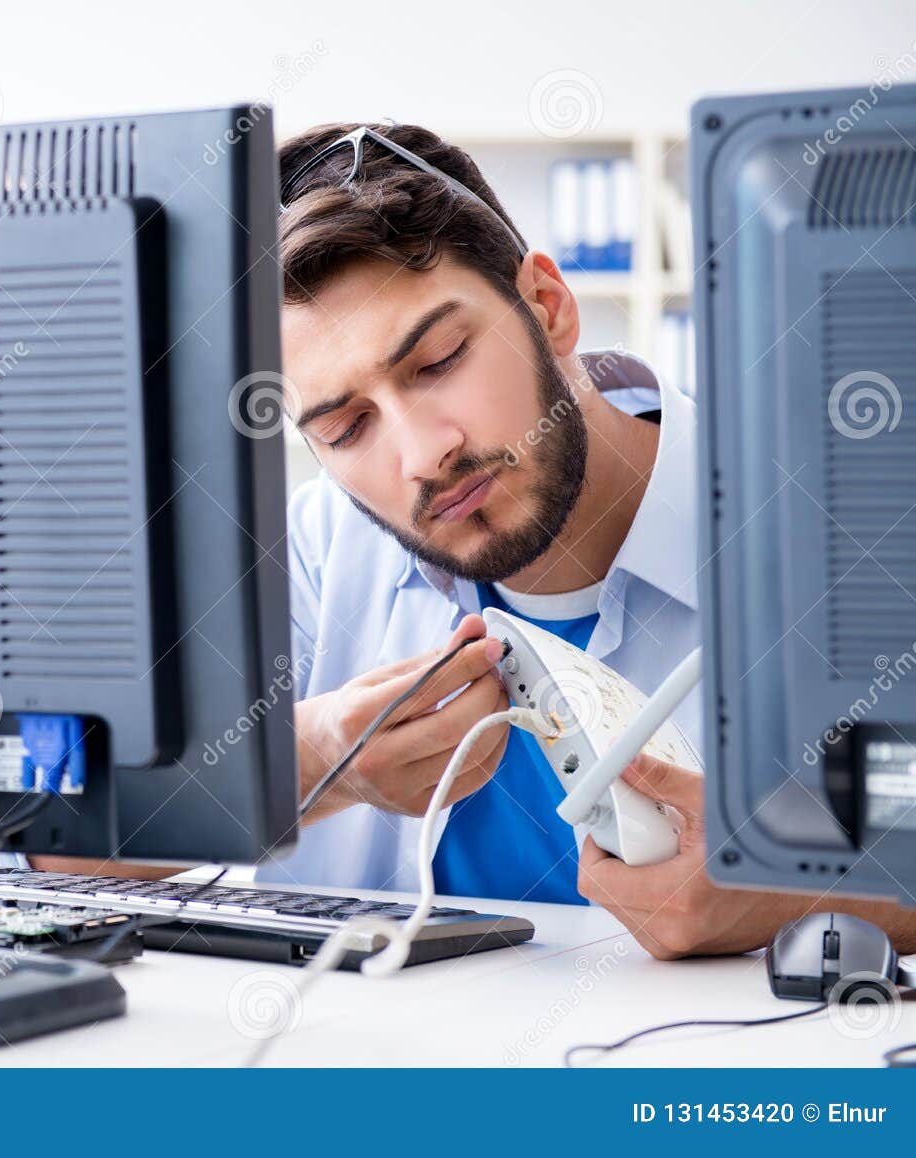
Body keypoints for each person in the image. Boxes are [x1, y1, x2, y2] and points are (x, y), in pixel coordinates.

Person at [265, 121, 916, 958]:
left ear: (547, 306)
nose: (423, 455)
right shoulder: (319, 547)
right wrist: (317, 760)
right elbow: (98, 835)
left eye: (439, 362)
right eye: (347, 428)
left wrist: (804, 887)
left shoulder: (843, 529)